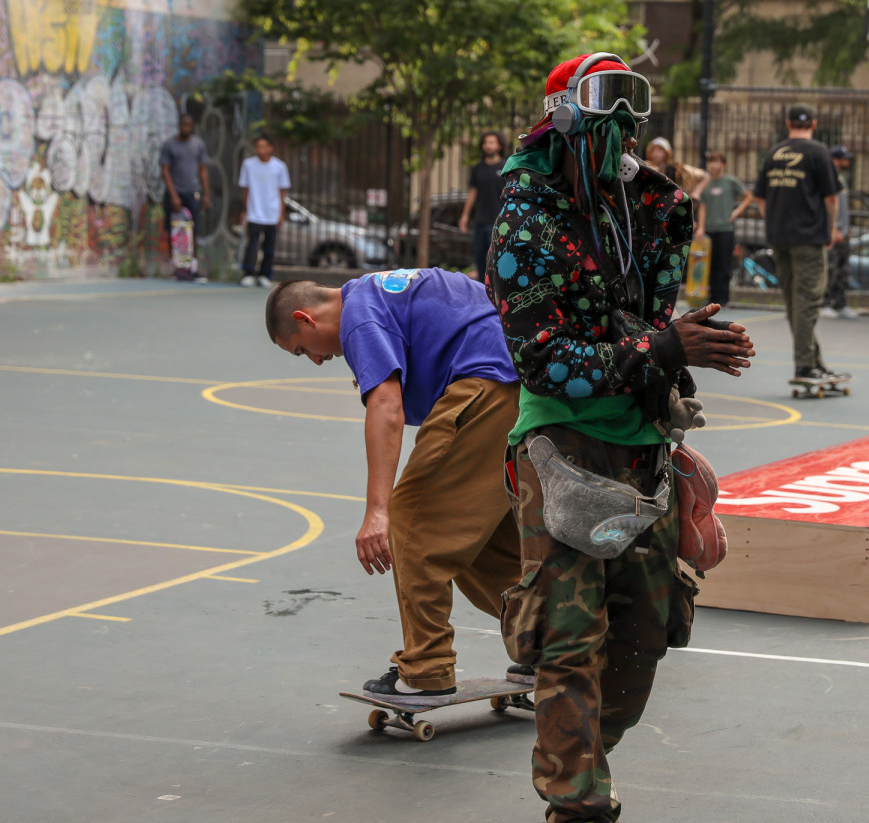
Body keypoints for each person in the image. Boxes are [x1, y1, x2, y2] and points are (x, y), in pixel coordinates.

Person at [486, 51, 755, 823]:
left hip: (642, 448)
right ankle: (577, 803)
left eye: (632, 113)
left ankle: (579, 761)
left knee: (647, 631)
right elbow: (546, 364)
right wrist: (664, 350)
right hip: (564, 452)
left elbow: (632, 319)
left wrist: (687, 342)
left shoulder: (643, 209)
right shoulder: (525, 220)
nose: (625, 130)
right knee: (569, 640)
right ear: (563, 115)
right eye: (607, 112)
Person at [263, 270, 523, 704]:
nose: (314, 359)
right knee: (473, 544)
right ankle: (553, 643)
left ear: (305, 318)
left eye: (302, 349)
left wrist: (379, 511)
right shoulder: (381, 291)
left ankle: (426, 669)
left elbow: (386, 406)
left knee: (413, 522)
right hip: (516, 387)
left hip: (482, 386)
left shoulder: (358, 318)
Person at [752, 103, 847, 385]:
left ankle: (814, 361)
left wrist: (775, 219)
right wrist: (830, 229)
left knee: (795, 302)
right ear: (814, 125)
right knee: (808, 301)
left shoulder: (774, 153)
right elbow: (831, 198)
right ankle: (805, 366)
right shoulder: (819, 152)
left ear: (787, 123)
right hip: (808, 237)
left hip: (780, 236)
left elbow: (760, 199)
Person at [696, 151, 753, 307]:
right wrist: (700, 227)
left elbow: (748, 196)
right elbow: (702, 206)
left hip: (725, 229)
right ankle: (711, 297)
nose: (713, 165)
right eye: (710, 162)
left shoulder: (730, 182)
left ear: (723, 164)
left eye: (716, 162)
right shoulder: (706, 183)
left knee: (723, 264)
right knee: (710, 264)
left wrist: (737, 212)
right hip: (709, 229)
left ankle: (723, 298)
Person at [160, 114, 210, 276]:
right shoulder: (170, 145)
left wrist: (206, 193)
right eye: (183, 124)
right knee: (173, 229)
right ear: (179, 125)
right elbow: (165, 171)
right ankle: (175, 266)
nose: (185, 127)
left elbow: (203, 170)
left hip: (192, 192)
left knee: (193, 229)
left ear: (192, 126)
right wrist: (174, 195)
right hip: (175, 193)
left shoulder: (198, 144)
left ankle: (192, 266)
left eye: (189, 124)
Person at [238, 134, 291, 289]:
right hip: (254, 212)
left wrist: (281, 213)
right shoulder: (248, 165)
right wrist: (246, 210)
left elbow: (282, 193)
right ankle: (248, 274)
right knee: (252, 244)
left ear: (270, 148)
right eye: (257, 146)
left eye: (263, 146)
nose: (260, 150)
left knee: (269, 247)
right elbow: (245, 189)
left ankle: (264, 275)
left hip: (272, 213)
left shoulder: (279, 167)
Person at [457, 132, 508, 281]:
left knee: (498, 260)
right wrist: (465, 216)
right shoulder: (478, 168)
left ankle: (498, 293)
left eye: (492, 142)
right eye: (486, 142)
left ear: (499, 145)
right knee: (481, 260)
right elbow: (472, 193)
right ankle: (482, 292)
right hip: (480, 222)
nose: (488, 146)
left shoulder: (505, 167)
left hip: (500, 222)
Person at [821, 145, 858, 319]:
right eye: (845, 158)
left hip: (843, 231)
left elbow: (842, 207)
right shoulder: (826, 177)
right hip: (833, 232)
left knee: (843, 270)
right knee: (830, 268)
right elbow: (827, 204)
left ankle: (840, 303)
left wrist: (847, 228)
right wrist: (833, 228)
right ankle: (825, 303)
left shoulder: (840, 178)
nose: (848, 162)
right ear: (835, 160)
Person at [645, 136, 710, 202]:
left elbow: (705, 176)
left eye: (659, 150)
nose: (655, 153)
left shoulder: (677, 168)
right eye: (653, 150)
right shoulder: (644, 166)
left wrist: (696, 193)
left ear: (666, 152)